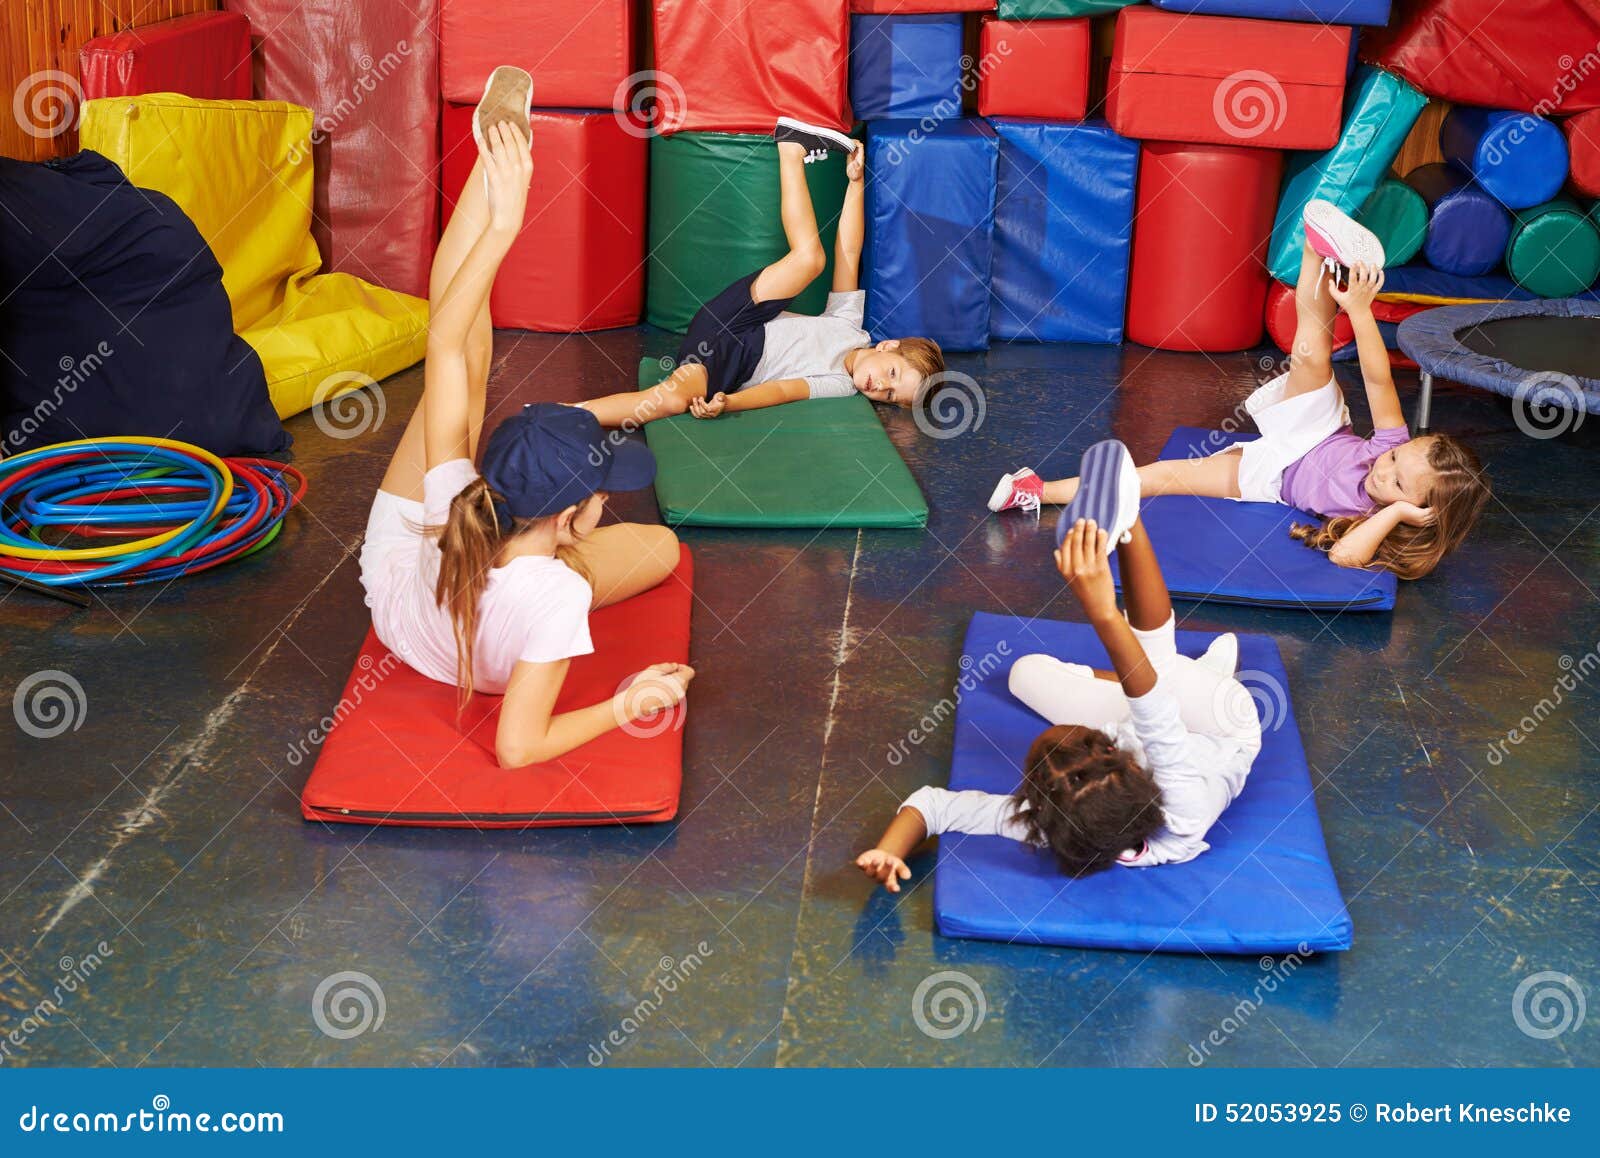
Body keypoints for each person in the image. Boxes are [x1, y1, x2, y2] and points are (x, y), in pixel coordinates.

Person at [359, 66, 690, 768]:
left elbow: (445, 341)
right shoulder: (557, 594)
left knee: (462, 361)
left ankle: (492, 167)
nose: (609, 498)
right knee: (662, 548)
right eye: (601, 490)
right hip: (455, 620)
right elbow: (517, 748)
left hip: (399, 602)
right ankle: (495, 169)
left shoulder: (458, 496)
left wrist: (505, 223)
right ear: (570, 517)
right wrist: (634, 701)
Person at [988, 201, 1490, 579]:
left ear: (1421, 513)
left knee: (1157, 477)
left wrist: (1396, 511)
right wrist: (1360, 310)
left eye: (1398, 484)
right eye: (1396, 458)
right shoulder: (1386, 446)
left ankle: (1037, 490)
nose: (1384, 469)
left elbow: (1344, 556)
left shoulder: (1379, 520)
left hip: (1272, 478)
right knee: (1311, 351)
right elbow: (1378, 379)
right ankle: (1316, 248)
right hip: (1320, 431)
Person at [858, 441, 1262, 891]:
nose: (1090, 737)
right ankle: (1132, 518)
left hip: (1150, 720)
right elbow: (1153, 706)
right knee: (1158, 675)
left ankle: (1174, 676)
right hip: (1219, 722)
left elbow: (935, 807)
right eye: (1093, 742)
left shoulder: (1051, 820)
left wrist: (890, 850)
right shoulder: (1183, 809)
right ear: (1121, 759)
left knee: (1024, 674)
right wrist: (1102, 611)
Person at [577, 118, 945, 429]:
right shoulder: (850, 324)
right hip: (739, 315)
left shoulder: (839, 384)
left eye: (889, 395)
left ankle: (563, 415)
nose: (880, 387)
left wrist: (730, 402)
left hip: (728, 361)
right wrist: (855, 183)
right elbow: (848, 251)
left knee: (671, 401)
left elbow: (782, 390)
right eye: (892, 375)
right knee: (810, 261)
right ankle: (791, 149)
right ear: (887, 346)